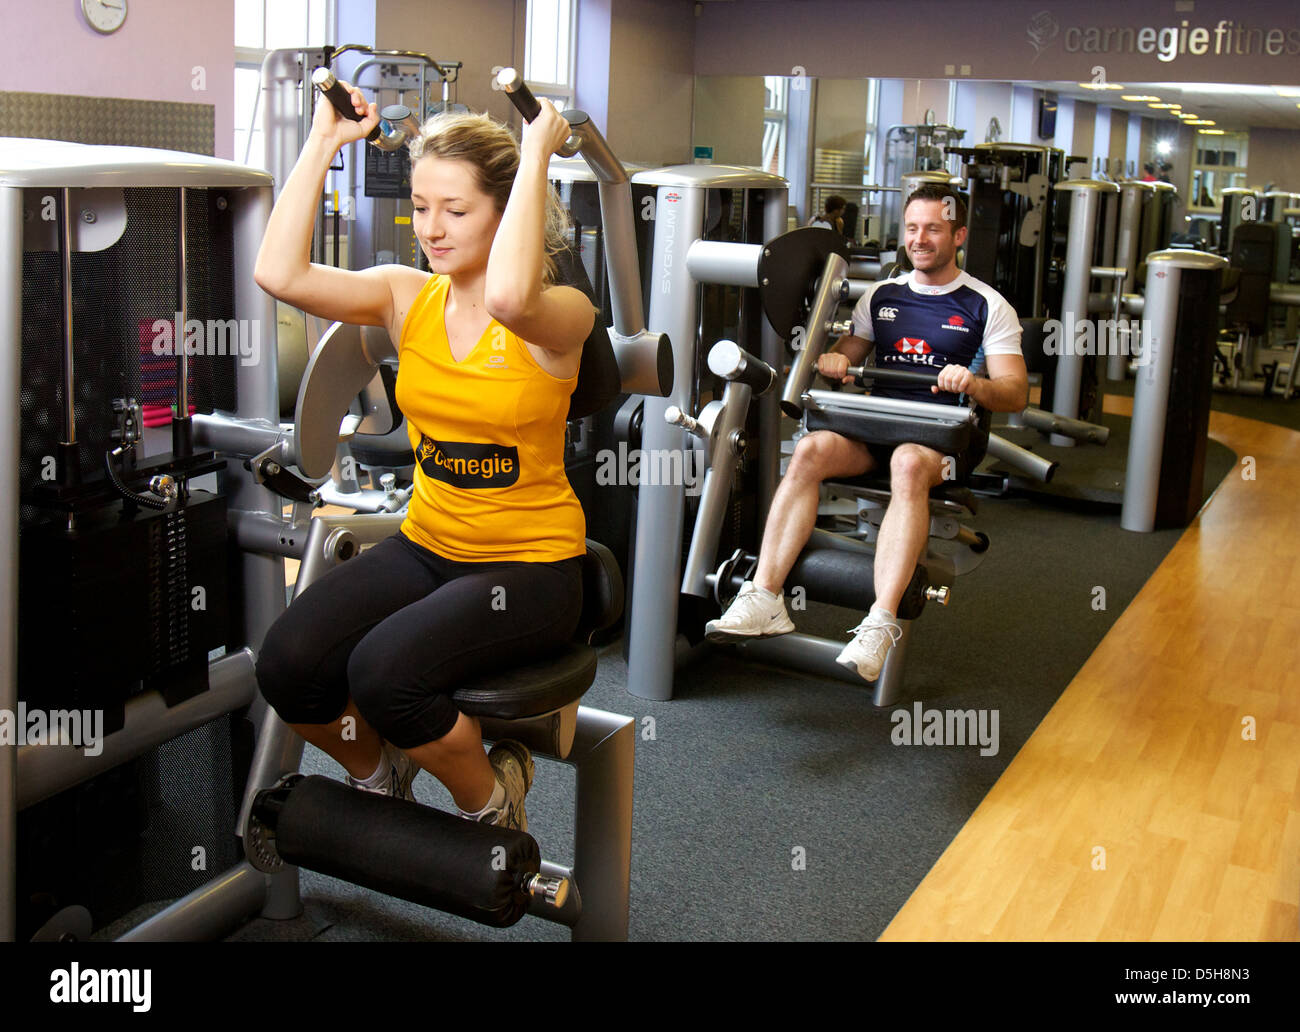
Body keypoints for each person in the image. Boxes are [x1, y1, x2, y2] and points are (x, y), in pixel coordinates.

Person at [251, 80, 594, 832]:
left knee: (384, 673)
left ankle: (491, 804)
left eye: (457, 210)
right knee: (287, 663)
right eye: (422, 206)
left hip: (530, 570)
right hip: (427, 545)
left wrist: (537, 151)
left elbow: (508, 297)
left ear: (505, 210)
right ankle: (380, 775)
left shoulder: (560, 313)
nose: (431, 229)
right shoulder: (407, 296)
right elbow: (279, 275)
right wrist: (325, 142)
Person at [706, 184, 1027, 682]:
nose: (920, 239)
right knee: (810, 449)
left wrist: (975, 383)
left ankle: (880, 622)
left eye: (934, 230)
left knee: (907, 462)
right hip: (880, 426)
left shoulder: (988, 305)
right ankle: (764, 596)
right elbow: (849, 352)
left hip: (944, 440)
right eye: (913, 228)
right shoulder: (882, 295)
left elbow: (1015, 393)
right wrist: (836, 358)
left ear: (959, 235)